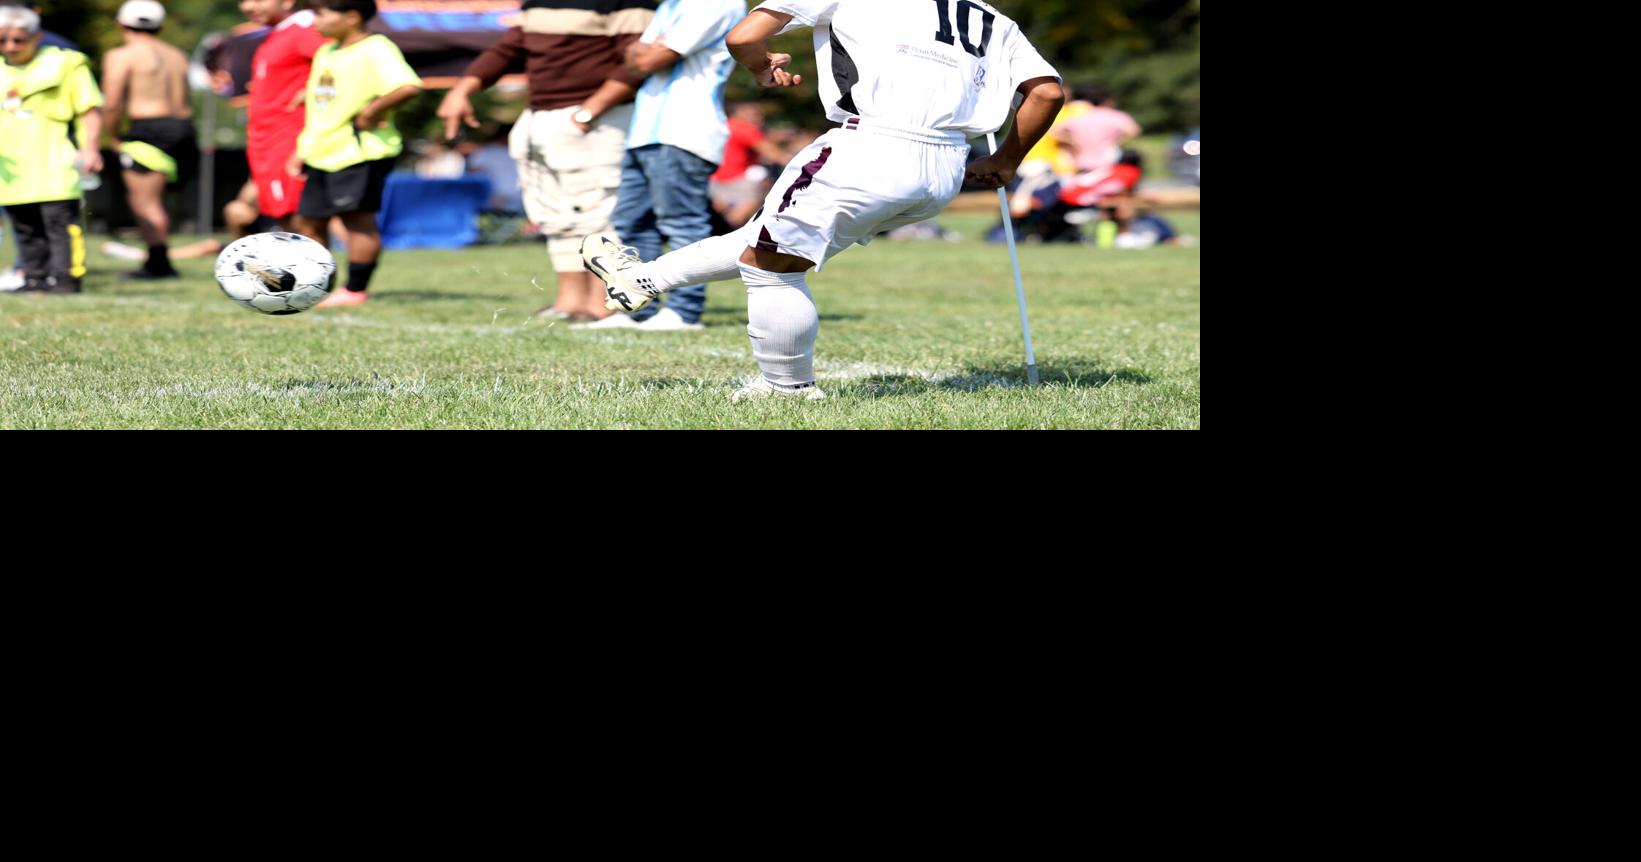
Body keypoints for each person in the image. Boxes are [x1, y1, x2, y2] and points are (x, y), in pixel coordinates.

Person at [581, 0, 1063, 400]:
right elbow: (1046, 93)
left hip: (871, 144)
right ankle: (642, 279)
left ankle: (787, 389)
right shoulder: (993, 18)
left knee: (771, 267)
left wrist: (761, 67)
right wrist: (1005, 160)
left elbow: (743, 36)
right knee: (767, 241)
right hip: (944, 167)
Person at [437, 0, 657, 322]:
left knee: (598, 209)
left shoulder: (625, 3)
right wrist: (461, 90)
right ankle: (569, 301)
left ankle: (604, 302)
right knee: (554, 213)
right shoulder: (537, 4)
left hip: (598, 120)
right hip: (542, 117)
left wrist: (589, 111)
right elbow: (506, 50)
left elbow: (640, 59)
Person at [573, 0, 745, 332]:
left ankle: (684, 312)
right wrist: (643, 53)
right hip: (644, 131)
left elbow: (649, 57)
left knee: (682, 224)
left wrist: (646, 52)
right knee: (632, 222)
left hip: (685, 130)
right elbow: (631, 59)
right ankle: (638, 311)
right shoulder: (672, 5)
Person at [288, 0, 422, 307]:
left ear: (351, 16)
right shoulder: (327, 52)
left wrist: (372, 111)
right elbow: (322, 105)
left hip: (359, 151)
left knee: (357, 221)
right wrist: (302, 148)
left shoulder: (376, 48)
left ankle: (355, 290)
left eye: (322, 14)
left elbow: (407, 86)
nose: (314, 21)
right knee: (308, 221)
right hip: (321, 150)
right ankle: (317, 286)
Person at [0, 4, 102, 294]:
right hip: (11, 170)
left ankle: (66, 279)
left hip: (53, 160)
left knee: (60, 226)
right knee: (24, 226)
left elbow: (89, 108)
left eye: (18, 40)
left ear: (37, 36)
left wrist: (91, 148)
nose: (10, 47)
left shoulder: (65, 64)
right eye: (2, 40)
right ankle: (34, 277)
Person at [100, 1, 198, 280]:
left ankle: (159, 263)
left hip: (148, 131)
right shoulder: (177, 55)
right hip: (184, 129)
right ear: (161, 26)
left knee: (145, 202)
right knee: (160, 200)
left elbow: (112, 102)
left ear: (121, 24)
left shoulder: (122, 55)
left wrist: (113, 135)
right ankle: (159, 259)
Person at [241, 0, 328, 232]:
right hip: (266, 140)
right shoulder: (277, 34)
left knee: (300, 217)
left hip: (289, 137)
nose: (248, 6)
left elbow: (342, 64)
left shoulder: (304, 29)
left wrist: (313, 88)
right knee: (283, 215)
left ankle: (315, 268)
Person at [711, 102, 790, 230]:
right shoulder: (744, 128)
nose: (760, 119)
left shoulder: (722, 125)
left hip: (713, 179)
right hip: (737, 180)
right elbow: (773, 153)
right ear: (740, 114)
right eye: (755, 115)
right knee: (763, 180)